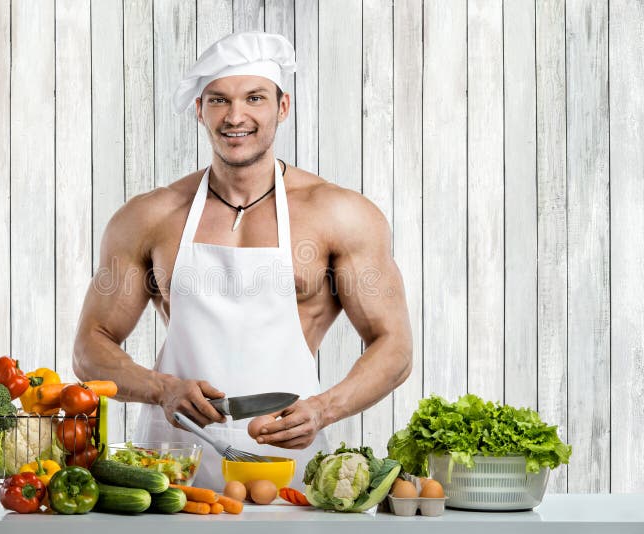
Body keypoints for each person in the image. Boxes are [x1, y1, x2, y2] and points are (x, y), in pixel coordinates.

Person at [73, 31, 412, 489]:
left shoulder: (340, 214)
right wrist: (162, 389)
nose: (236, 117)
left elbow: (395, 346)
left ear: (283, 107)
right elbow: (89, 347)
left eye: (255, 98)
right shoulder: (148, 217)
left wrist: (323, 409)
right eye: (219, 100)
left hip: (289, 468)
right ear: (199, 110)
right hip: (171, 470)